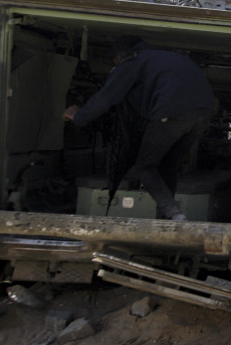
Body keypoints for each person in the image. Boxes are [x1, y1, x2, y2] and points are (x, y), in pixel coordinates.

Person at [63, 37, 215, 221]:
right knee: (167, 164)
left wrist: (79, 116)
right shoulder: (166, 58)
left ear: (119, 57)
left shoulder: (132, 61)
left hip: (173, 111)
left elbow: (107, 97)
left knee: (145, 165)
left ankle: (174, 213)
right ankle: (168, 217)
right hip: (204, 114)